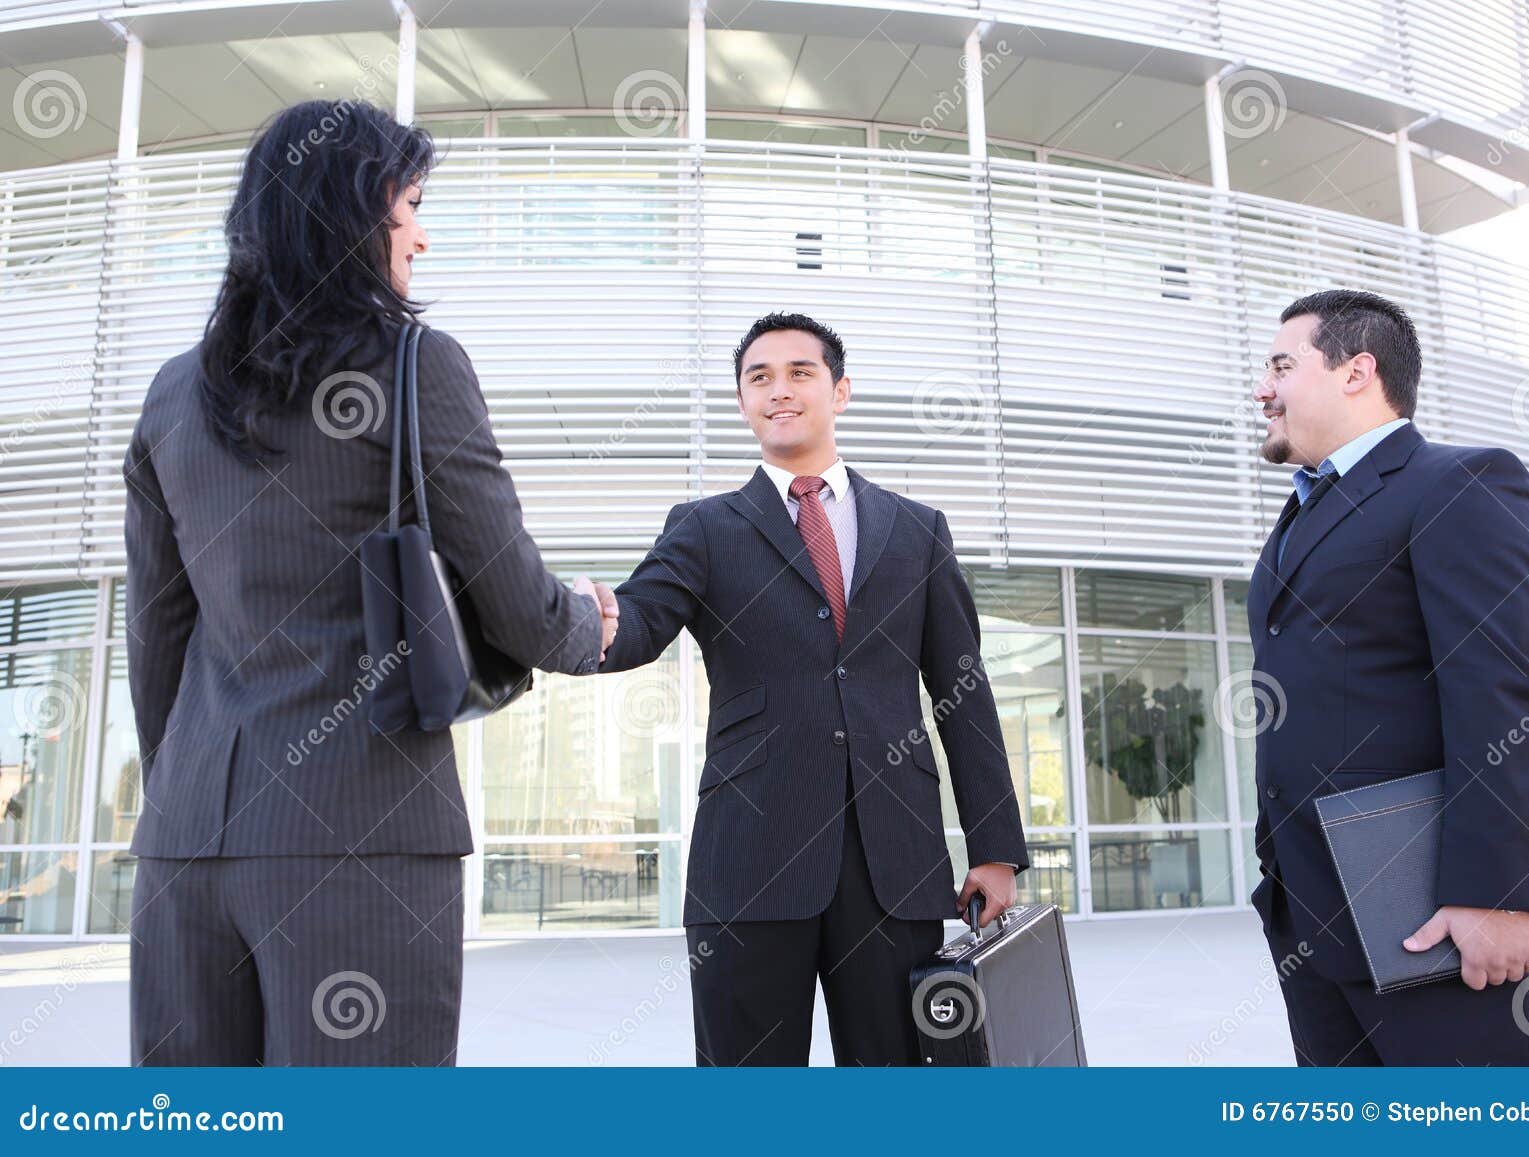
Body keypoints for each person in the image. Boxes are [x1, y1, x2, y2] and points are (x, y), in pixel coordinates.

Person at [122, 100, 610, 1066]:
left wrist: (183, 791)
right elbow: (516, 602)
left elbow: (155, 635)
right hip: (361, 841)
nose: (422, 238)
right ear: (350, 213)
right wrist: (590, 622)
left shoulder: (174, 393)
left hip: (182, 851)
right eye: (411, 207)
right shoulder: (417, 365)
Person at [581, 312, 1029, 1066]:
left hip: (896, 864)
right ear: (742, 402)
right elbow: (638, 624)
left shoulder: (917, 529)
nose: (778, 390)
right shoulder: (704, 528)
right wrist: (577, 617)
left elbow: (964, 691)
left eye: (799, 373)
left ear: (839, 391)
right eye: (759, 378)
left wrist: (996, 848)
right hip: (751, 859)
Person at [1248, 289, 1529, 1065]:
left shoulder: (1463, 483)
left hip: (1436, 918)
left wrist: (1493, 893)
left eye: (1281, 367)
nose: (1262, 389)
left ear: (1357, 371)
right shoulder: (1301, 514)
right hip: (1313, 919)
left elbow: (1500, 698)